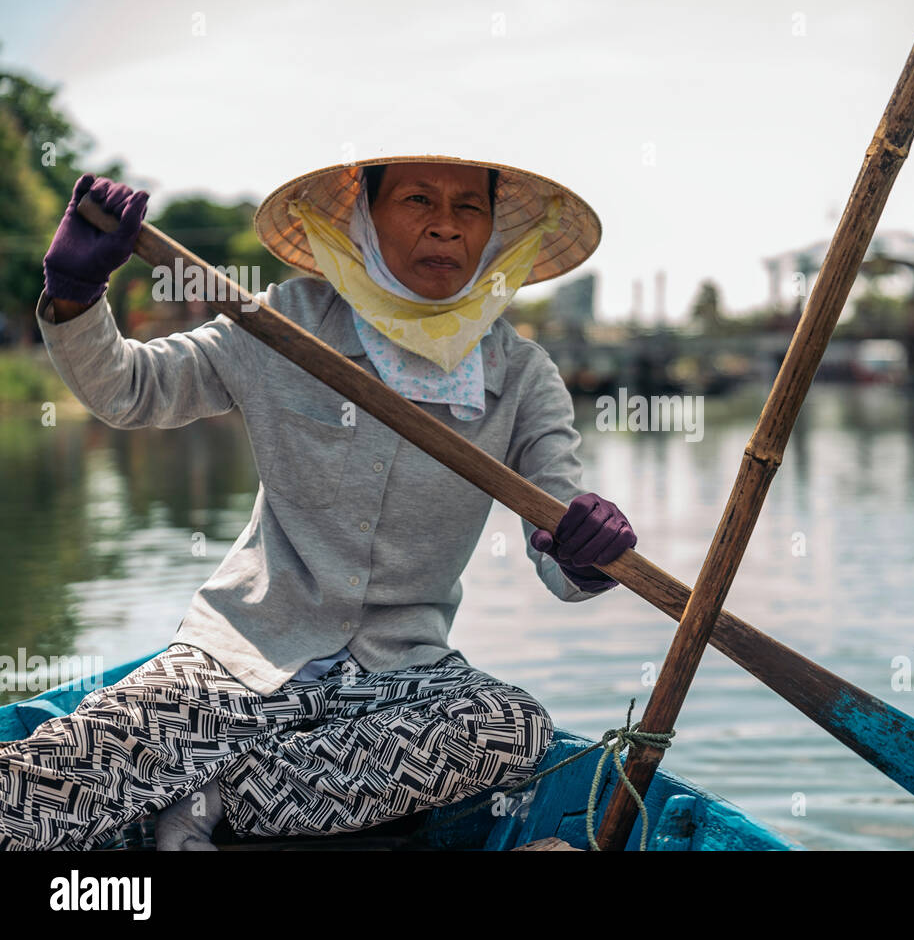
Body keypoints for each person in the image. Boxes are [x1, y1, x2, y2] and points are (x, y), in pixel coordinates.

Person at [0, 155, 636, 851]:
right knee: (62, 769)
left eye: (469, 210)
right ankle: (186, 778)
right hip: (242, 652)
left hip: (402, 675)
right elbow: (132, 389)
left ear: (490, 234)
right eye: (419, 200)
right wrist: (76, 292)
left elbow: (560, 531)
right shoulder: (283, 325)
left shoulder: (519, 374)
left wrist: (587, 549)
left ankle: (212, 791)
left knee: (512, 726)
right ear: (363, 217)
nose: (446, 229)